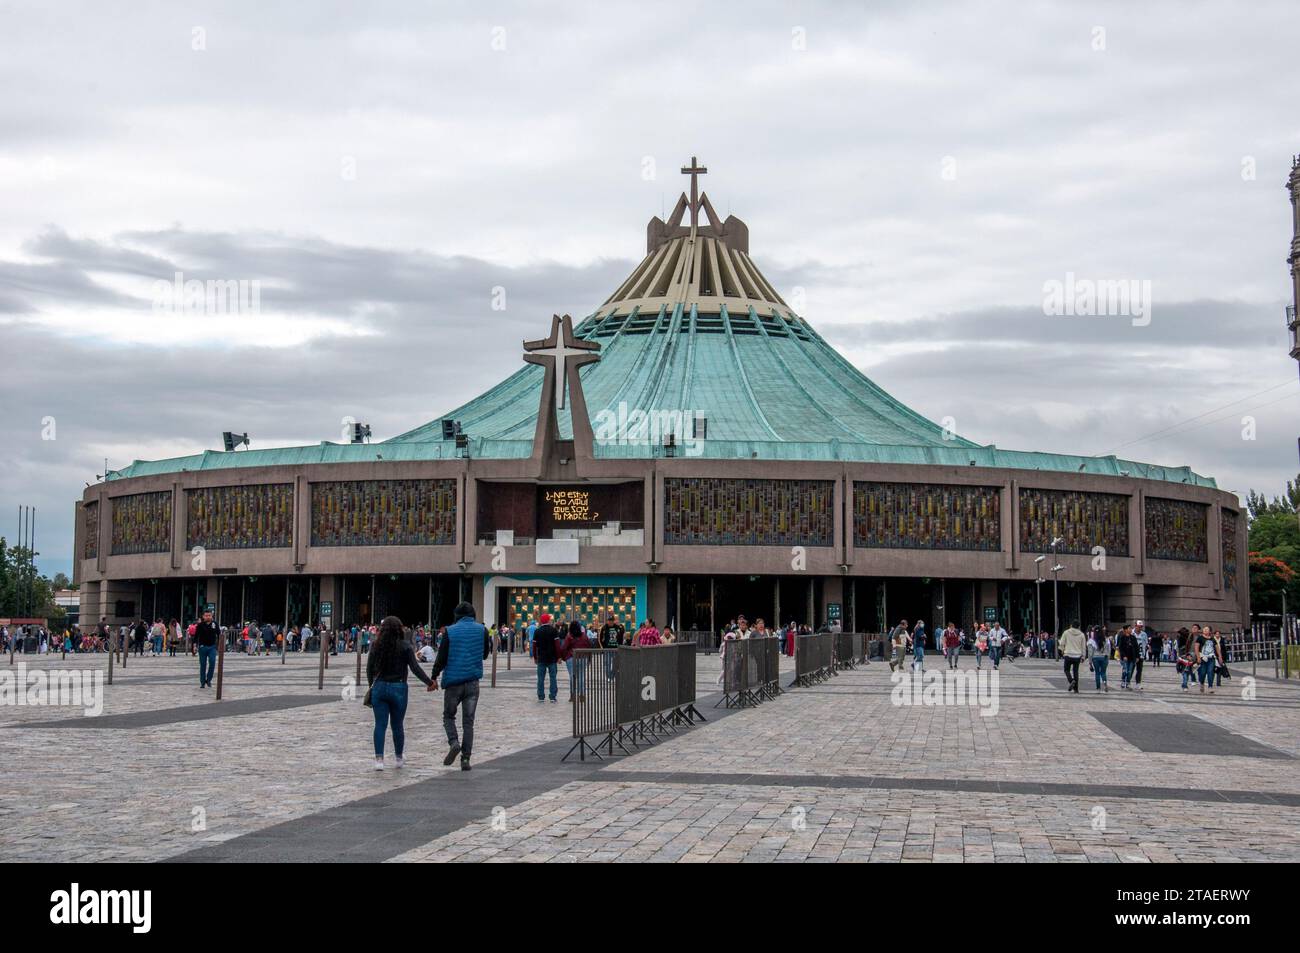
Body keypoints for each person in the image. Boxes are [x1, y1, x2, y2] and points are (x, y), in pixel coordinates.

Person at [427, 602, 490, 771]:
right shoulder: (482, 630)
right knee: (468, 722)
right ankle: (466, 759)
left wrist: (434, 676)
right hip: (472, 682)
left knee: (448, 716)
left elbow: (442, 657)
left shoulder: (450, 631)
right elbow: (485, 654)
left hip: (453, 682)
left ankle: (454, 742)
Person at [366, 615, 433, 770]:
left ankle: (379, 759)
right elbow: (415, 668)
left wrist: (372, 686)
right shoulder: (405, 646)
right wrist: (429, 682)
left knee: (380, 724)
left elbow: (369, 669)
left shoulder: (376, 645)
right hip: (399, 687)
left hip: (380, 687)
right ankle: (398, 757)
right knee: (397, 725)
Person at [532, 612, 562, 702]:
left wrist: (535, 657)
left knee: (540, 678)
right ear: (548, 620)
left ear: (541, 621)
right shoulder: (553, 630)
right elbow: (557, 645)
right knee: (553, 678)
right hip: (552, 658)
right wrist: (559, 656)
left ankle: (541, 696)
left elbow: (534, 646)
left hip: (541, 658)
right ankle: (552, 696)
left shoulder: (537, 631)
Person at [560, 618, 592, 702]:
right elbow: (589, 646)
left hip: (571, 658)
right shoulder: (584, 636)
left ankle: (573, 695)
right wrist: (589, 658)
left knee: (572, 676)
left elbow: (564, 648)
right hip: (583, 658)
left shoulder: (569, 636)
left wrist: (564, 658)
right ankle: (582, 695)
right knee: (582, 676)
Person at [194, 609, 219, 688]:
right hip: (202, 647)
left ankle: (209, 679)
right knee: (203, 665)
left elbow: (219, 634)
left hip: (212, 647)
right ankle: (202, 682)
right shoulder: (200, 625)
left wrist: (220, 645)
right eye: (206, 616)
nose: (208, 617)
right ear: (203, 616)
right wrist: (195, 646)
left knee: (212, 662)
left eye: (209, 615)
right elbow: (196, 636)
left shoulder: (215, 624)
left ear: (212, 616)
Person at [1059, 621, 1086, 693]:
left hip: (1068, 654)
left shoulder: (1066, 632)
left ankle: (1071, 681)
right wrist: (1083, 656)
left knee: (1066, 670)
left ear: (1071, 625)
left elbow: (1062, 643)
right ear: (1078, 627)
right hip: (1077, 656)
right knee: (1075, 671)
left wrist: (1062, 650)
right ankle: (1076, 689)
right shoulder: (1082, 635)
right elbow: (1083, 647)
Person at [1087, 627, 1111, 692]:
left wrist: (1090, 662)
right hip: (1104, 657)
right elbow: (1109, 650)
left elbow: (1090, 652)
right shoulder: (1106, 640)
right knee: (1103, 672)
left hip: (1095, 658)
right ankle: (1104, 682)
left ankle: (1098, 687)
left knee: (1097, 672)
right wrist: (1108, 657)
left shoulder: (1091, 641)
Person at [1116, 624, 1139, 690]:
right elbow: (1120, 648)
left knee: (1129, 671)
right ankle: (1123, 681)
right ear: (1126, 630)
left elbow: (1136, 647)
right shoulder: (1122, 637)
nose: (1131, 630)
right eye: (1129, 628)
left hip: (1132, 657)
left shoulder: (1133, 637)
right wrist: (1123, 656)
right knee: (1125, 670)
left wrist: (1137, 656)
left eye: (1131, 628)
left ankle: (1128, 682)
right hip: (1125, 657)